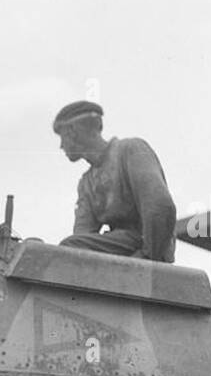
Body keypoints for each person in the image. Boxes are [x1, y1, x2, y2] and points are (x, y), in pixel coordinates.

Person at [53, 101, 177, 263]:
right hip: (121, 245)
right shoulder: (86, 183)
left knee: (71, 247)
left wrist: (148, 257)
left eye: (62, 137)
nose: (61, 146)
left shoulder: (130, 150)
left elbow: (159, 206)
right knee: (72, 251)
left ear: (72, 132)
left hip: (147, 242)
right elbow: (83, 236)